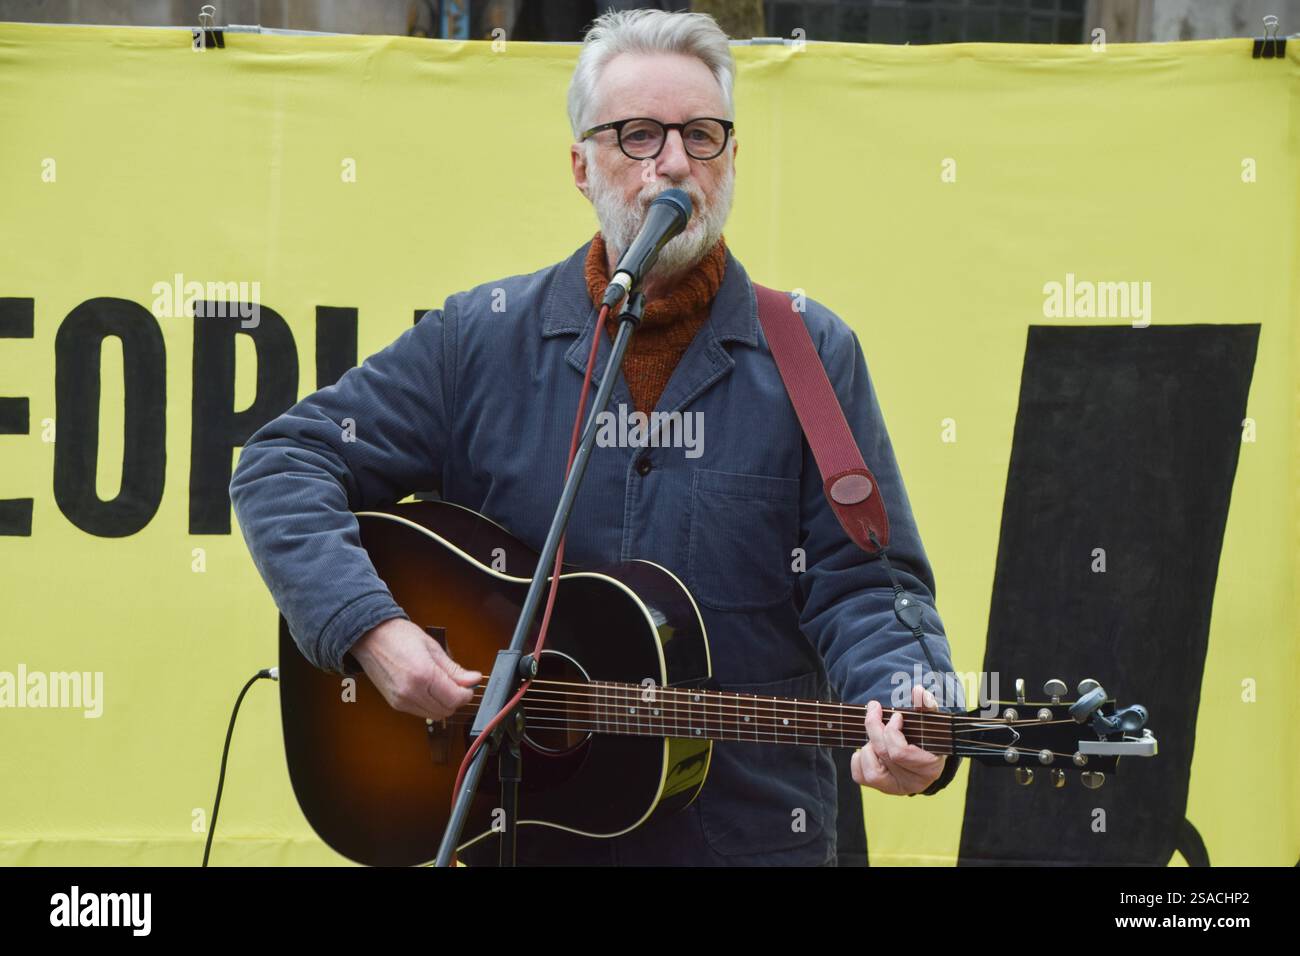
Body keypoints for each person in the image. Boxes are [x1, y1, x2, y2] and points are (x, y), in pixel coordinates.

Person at [229, 8, 962, 866]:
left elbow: (867, 585)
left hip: (750, 840)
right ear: (582, 165)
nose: (676, 163)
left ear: (733, 158)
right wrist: (371, 630)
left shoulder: (810, 351)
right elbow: (284, 462)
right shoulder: (481, 340)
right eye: (639, 135)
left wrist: (908, 705)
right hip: (523, 839)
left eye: (703, 135)